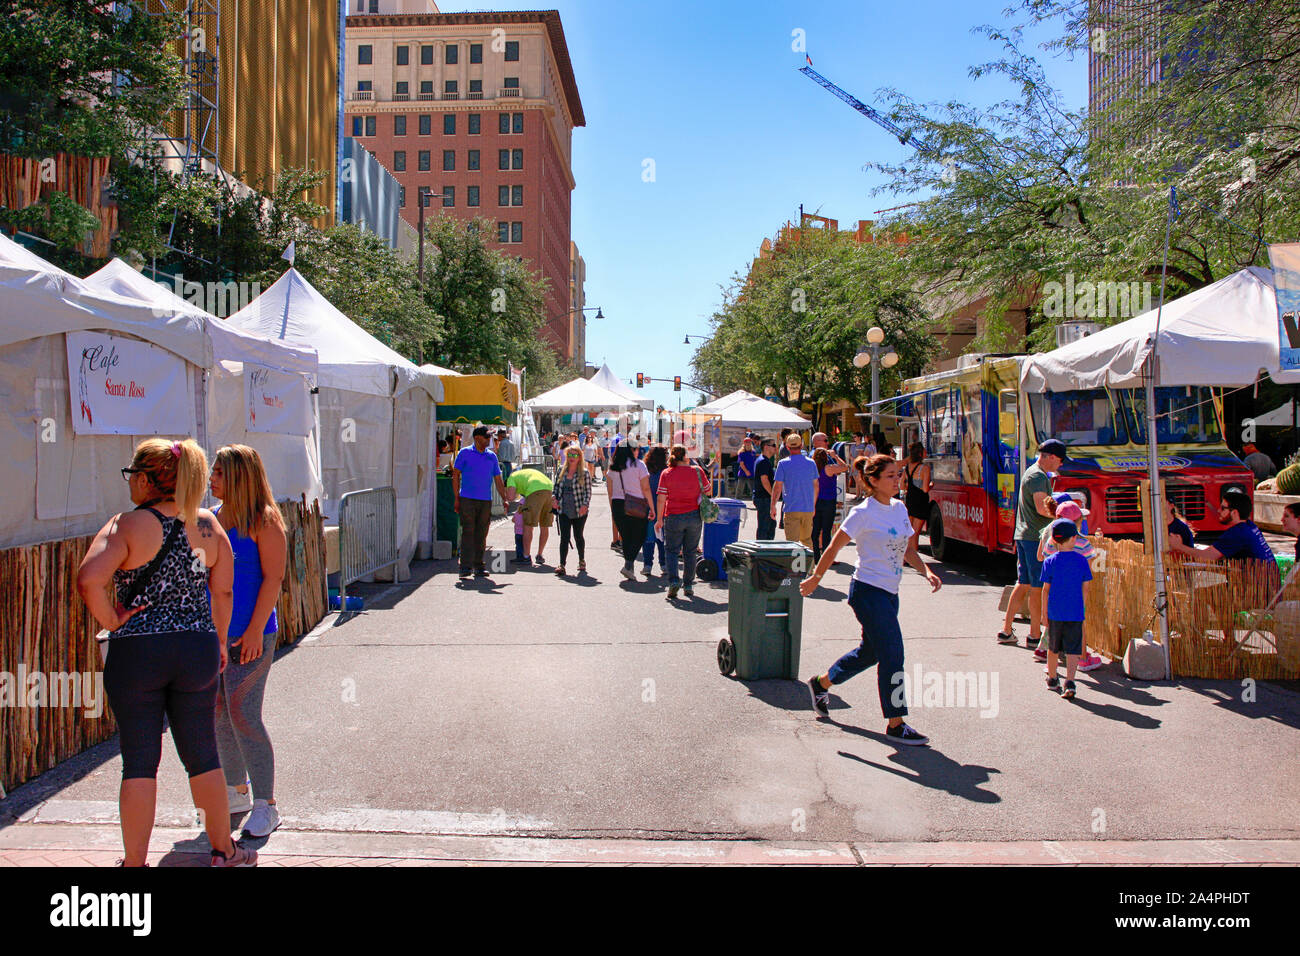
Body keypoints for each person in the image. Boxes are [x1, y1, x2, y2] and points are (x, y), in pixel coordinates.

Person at [76, 438, 256, 867]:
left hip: (137, 652)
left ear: (145, 479)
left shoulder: (126, 525)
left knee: (139, 760)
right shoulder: (209, 526)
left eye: (131, 476)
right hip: (195, 649)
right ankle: (224, 849)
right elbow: (224, 591)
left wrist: (111, 620)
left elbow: (89, 579)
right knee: (202, 753)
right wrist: (218, 640)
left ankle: (134, 863)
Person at [803, 454, 941, 745]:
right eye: (890, 476)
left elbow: (907, 549)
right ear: (873, 481)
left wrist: (926, 571)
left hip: (890, 593)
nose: (897, 480)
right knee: (894, 653)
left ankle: (821, 683)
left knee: (872, 652)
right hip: (867, 592)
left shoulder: (900, 508)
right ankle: (896, 722)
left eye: (897, 475)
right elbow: (833, 547)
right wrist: (816, 577)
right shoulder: (862, 513)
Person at [209, 444, 287, 839]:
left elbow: (273, 578)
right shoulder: (214, 519)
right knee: (221, 711)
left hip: (252, 634)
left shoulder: (264, 521)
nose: (211, 479)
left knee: (244, 713)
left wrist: (255, 629)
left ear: (239, 476)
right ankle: (236, 791)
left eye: (219, 473)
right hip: (218, 636)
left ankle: (266, 804)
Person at [997, 439, 1067, 647]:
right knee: (1037, 588)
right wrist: (1062, 514)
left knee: (1023, 583)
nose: (1060, 466)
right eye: (1060, 461)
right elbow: (1041, 508)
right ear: (1052, 457)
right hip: (1034, 538)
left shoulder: (1032, 472)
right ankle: (1035, 635)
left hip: (1024, 535)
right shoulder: (1037, 476)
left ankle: (1006, 630)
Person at [1040, 518, 1093, 700]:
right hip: (1075, 612)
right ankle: (1070, 681)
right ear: (1073, 539)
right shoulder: (1082, 561)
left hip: (1055, 612)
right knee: (1073, 649)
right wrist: (1082, 606)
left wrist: (1043, 613)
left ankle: (1053, 678)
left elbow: (1045, 590)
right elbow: (1086, 587)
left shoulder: (1049, 562)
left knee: (1053, 647)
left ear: (1054, 540)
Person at [452, 425, 508, 579]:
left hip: (485, 500)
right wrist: (457, 498)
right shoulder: (464, 453)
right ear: (477, 438)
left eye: (490, 437)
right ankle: (465, 567)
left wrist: (504, 499)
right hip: (468, 499)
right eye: (487, 437)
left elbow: (498, 479)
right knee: (468, 532)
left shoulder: (492, 456)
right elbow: (455, 475)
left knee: (481, 534)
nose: (490, 439)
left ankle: (478, 566)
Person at [655, 444, 709, 600]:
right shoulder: (697, 471)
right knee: (690, 552)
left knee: (671, 551)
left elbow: (661, 498)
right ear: (686, 457)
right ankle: (688, 584)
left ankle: (673, 582)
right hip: (694, 516)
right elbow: (708, 490)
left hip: (673, 516)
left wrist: (659, 519)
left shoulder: (667, 473)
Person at [1194, 489, 1276, 572]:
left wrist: (1181, 547)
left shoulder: (1238, 533)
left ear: (1234, 513)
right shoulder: (1250, 526)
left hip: (1256, 584)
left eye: (1223, 508)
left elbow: (1206, 557)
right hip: (1266, 581)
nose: (1219, 511)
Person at [608, 443, 655, 581]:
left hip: (617, 504)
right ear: (631, 450)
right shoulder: (639, 465)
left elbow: (610, 492)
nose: (638, 451)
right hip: (636, 503)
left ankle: (629, 567)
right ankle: (628, 565)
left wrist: (613, 509)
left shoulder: (612, 467)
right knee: (640, 536)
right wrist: (651, 508)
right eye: (636, 449)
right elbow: (646, 488)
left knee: (626, 537)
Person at [771, 432, 819, 549]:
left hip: (791, 508)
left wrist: (773, 505)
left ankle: (794, 567)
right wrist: (813, 505)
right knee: (807, 541)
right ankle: (807, 567)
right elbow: (816, 486)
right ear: (801, 445)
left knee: (792, 544)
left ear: (787, 447)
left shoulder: (783, 464)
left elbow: (777, 487)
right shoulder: (811, 463)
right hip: (807, 508)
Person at [552, 445, 594, 576]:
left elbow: (588, 492)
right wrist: (554, 498)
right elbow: (556, 487)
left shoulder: (585, 473)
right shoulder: (561, 470)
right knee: (564, 537)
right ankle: (562, 564)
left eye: (575, 455)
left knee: (578, 536)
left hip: (578, 508)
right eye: (570, 455)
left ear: (579, 457)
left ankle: (581, 560)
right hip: (563, 508)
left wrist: (585, 505)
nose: (572, 458)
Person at [505, 465, 555, 565]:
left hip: (534, 490)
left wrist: (505, 495)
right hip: (549, 488)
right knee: (544, 525)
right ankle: (540, 554)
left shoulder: (511, 478)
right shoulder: (524, 474)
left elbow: (510, 497)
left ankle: (526, 556)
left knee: (528, 524)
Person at [811, 445, 848, 563]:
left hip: (816, 501)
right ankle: (826, 558)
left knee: (815, 531)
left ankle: (816, 556)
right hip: (829, 501)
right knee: (827, 531)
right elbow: (845, 467)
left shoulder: (813, 468)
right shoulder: (829, 468)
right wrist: (835, 456)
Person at [641, 445, 669, 576]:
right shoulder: (667, 471)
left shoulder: (646, 470)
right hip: (663, 509)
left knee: (648, 538)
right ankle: (664, 564)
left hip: (648, 508)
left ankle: (647, 565)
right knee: (663, 539)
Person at [903, 442, 932, 544]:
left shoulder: (908, 467)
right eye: (924, 451)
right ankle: (913, 557)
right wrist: (931, 485)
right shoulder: (925, 468)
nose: (926, 452)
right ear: (920, 454)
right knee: (916, 534)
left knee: (909, 533)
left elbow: (901, 484)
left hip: (910, 501)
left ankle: (906, 558)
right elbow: (925, 489)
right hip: (921, 502)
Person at [753, 437, 778, 540]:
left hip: (763, 498)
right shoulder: (763, 461)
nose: (776, 448)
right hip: (764, 498)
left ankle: (764, 549)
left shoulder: (764, 460)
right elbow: (764, 480)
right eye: (774, 445)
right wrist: (773, 496)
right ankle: (762, 551)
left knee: (769, 525)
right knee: (765, 527)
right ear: (766, 447)